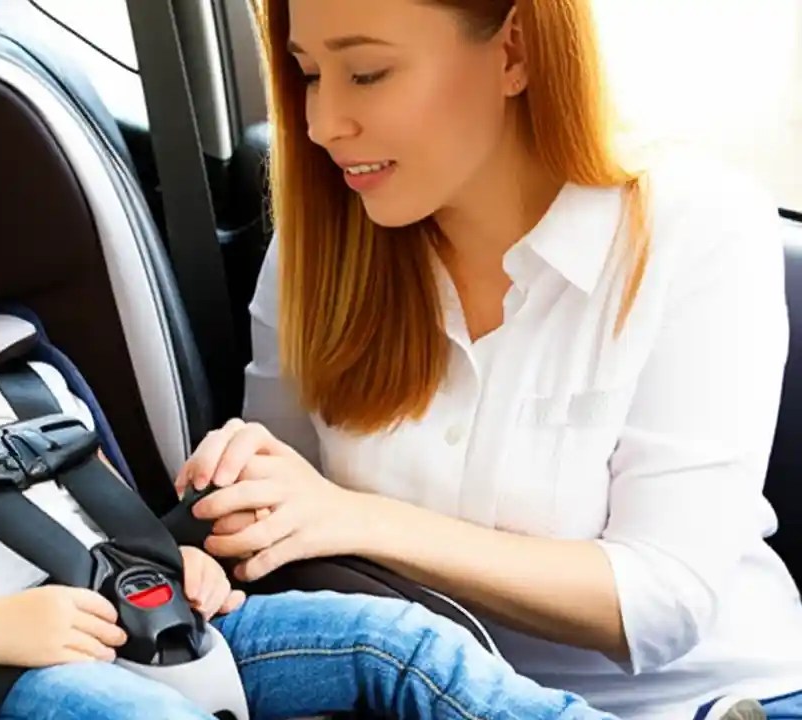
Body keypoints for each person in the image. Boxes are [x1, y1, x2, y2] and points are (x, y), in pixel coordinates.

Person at [0, 113, 629, 720]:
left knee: (401, 643)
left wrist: (171, 562)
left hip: (176, 629)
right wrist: (2, 631)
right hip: (23, 682)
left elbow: (111, 519)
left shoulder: (31, 385)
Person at [173, 1, 802, 719]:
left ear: (514, 52)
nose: (321, 124)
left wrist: (358, 518)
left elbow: (661, 602)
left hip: (715, 701)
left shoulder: (696, 229)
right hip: (413, 695)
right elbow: (283, 521)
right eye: (310, 74)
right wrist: (223, 526)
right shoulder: (317, 255)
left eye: (367, 72)